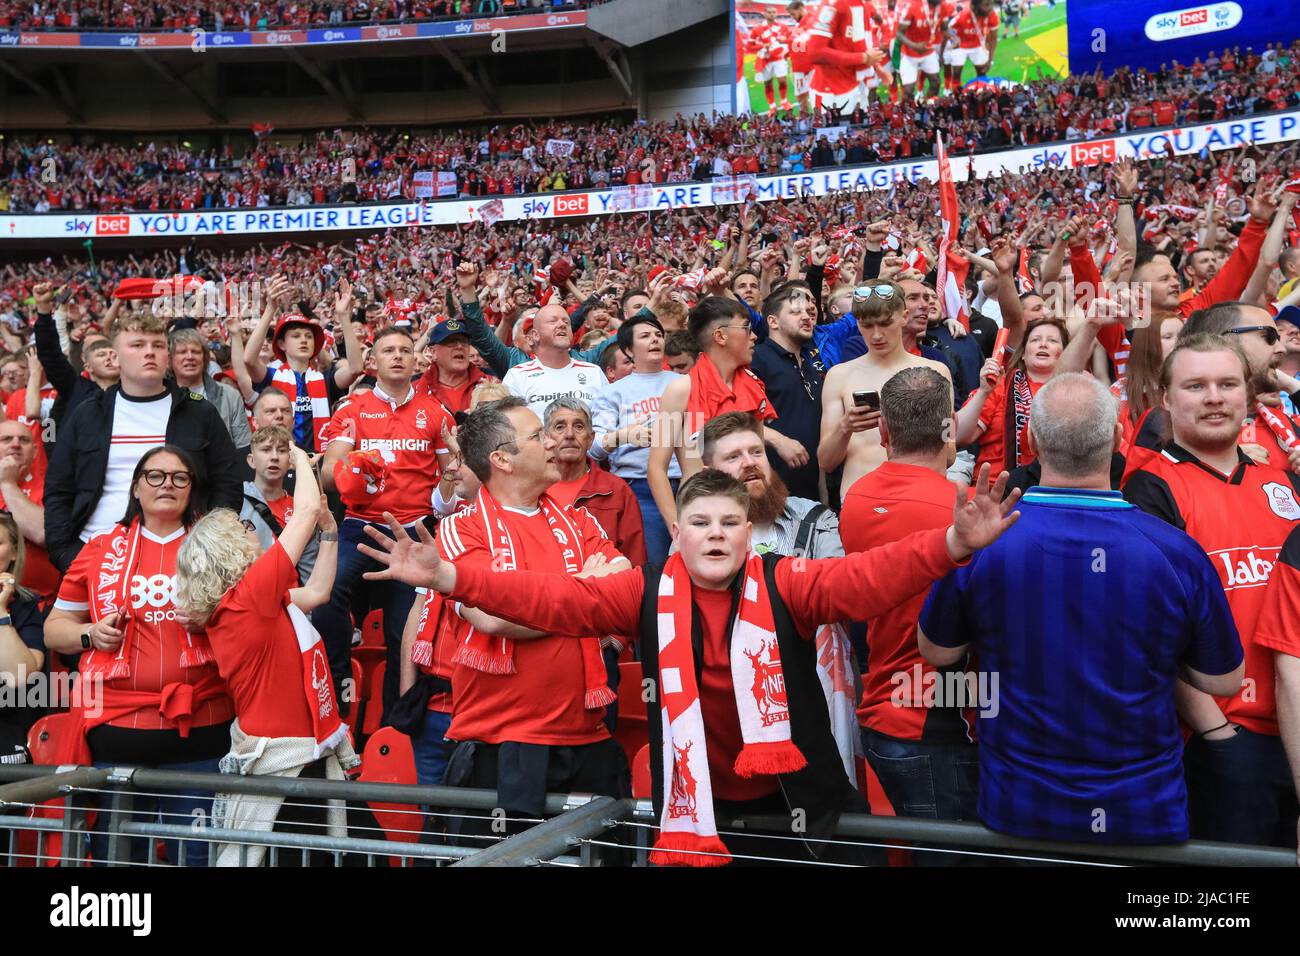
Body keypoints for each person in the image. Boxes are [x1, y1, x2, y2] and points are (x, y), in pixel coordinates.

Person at [359, 464, 1019, 865]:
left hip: (799, 816)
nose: (715, 534)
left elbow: (869, 576)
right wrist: (451, 576)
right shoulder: (643, 589)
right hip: (698, 821)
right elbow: (553, 599)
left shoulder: (785, 580)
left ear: (748, 533)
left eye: (729, 522)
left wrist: (954, 541)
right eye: (699, 522)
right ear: (676, 535)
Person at [922, 373, 1245, 845]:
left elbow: (937, 652)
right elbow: (1224, 679)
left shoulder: (983, 544)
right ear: (1117, 439)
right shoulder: (1176, 552)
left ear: (1030, 439)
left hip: (1020, 807)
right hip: (1143, 812)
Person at [386, 396, 633, 841]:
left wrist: (549, 598)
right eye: (539, 435)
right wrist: (583, 595)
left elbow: (619, 598)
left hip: (590, 738)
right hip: (505, 744)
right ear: (501, 459)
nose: (555, 441)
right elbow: (492, 617)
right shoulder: (461, 530)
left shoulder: (579, 521)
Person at [1123, 334, 1299, 847]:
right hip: (1227, 738)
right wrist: (1216, 732)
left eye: (1227, 384)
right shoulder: (1150, 488)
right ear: (1166, 399)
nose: (1215, 398)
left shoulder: (1281, 482)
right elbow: (1143, 634)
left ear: (1248, 394)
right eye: (1196, 386)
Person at [44, 445, 234, 867]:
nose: (167, 483)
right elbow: (55, 630)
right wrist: (90, 635)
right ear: (135, 486)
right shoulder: (99, 549)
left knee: (200, 858)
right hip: (117, 737)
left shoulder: (223, 548)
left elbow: (261, 624)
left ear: (192, 488)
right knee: (120, 859)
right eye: (155, 475)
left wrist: (213, 621)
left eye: (179, 477)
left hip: (201, 739)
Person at [174, 444, 356, 867]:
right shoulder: (249, 597)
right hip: (288, 763)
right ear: (228, 551)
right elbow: (305, 507)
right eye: (241, 527)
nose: (250, 529)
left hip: (298, 755)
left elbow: (317, 593)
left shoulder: (245, 603)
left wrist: (329, 533)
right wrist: (299, 457)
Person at [839, 366, 983, 838]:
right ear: (949, 429)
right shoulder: (964, 514)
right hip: (937, 724)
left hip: (885, 711)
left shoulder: (857, 498)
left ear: (883, 429)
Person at [317, 325, 453, 718]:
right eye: (389, 350)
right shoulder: (352, 410)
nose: (397, 356)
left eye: (405, 350)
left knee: (402, 635)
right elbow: (328, 474)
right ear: (373, 362)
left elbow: (452, 475)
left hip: (414, 532)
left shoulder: (434, 412)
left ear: (417, 361)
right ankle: (336, 689)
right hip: (360, 524)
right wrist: (355, 466)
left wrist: (450, 478)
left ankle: (397, 724)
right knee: (325, 595)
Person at [43, 310, 242, 573]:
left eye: (158, 345)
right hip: (92, 555)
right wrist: (64, 552)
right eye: (138, 345)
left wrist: (208, 547)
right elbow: (58, 488)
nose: (150, 352)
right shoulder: (88, 414)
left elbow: (227, 485)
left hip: (182, 558)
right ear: (116, 356)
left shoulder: (200, 412)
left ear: (167, 357)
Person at [820, 280, 952, 503]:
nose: (876, 335)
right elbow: (825, 462)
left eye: (884, 323)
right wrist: (846, 427)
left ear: (904, 316)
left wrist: (915, 429)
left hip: (920, 499)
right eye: (867, 325)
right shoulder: (839, 376)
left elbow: (949, 454)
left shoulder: (937, 371)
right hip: (861, 499)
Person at [649, 296, 776, 527]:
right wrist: (677, 526)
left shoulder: (753, 386)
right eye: (747, 329)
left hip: (752, 514)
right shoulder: (680, 389)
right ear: (720, 336)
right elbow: (656, 468)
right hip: (700, 514)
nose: (755, 336)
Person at [590, 312, 683, 564]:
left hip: (686, 485)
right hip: (639, 490)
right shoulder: (612, 393)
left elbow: (697, 441)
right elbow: (593, 449)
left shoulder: (685, 383)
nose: (654, 340)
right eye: (645, 336)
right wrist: (624, 436)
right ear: (629, 349)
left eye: (658, 335)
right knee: (652, 566)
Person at [243, 277, 365, 454]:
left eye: (309, 336)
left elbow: (355, 368)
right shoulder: (271, 376)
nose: (304, 340)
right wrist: (270, 309)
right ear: (282, 344)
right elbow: (249, 360)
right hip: (280, 458)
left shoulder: (325, 379)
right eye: (296, 336)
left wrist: (344, 318)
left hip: (317, 460)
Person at [452, 263, 610, 379]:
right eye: (528, 329)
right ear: (519, 340)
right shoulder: (513, 362)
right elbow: (480, 336)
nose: (561, 324)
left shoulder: (585, 362)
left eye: (565, 322)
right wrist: (467, 290)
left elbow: (627, 334)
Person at [954, 317, 1068, 474]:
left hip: (1054, 490)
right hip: (995, 489)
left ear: (1065, 353)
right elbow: (957, 435)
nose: (1043, 344)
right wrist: (983, 392)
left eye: (1053, 340)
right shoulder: (998, 385)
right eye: (1035, 340)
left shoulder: (1075, 391)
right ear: (1023, 354)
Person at [544, 398, 647, 565]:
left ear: (591, 439)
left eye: (578, 426)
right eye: (560, 427)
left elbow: (635, 563)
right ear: (546, 438)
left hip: (603, 587)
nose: (569, 435)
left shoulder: (616, 490)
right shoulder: (532, 489)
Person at [750, 284, 826, 503]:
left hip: (811, 494)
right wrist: (778, 440)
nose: (806, 317)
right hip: (768, 494)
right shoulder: (757, 360)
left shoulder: (812, 365)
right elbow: (734, 419)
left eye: (809, 312)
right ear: (772, 321)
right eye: (795, 312)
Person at [500, 302, 609, 420]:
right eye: (553, 321)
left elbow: (606, 421)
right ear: (535, 335)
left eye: (566, 322)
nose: (562, 324)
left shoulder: (594, 373)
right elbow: (510, 426)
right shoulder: (517, 376)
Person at [31, 281, 119, 426]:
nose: (109, 358)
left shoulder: (138, 390)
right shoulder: (74, 388)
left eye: (114, 355)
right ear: (87, 365)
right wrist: (43, 308)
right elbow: (50, 355)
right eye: (101, 355)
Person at [0, 512, 50, 763]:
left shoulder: (25, 606)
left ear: (13, 553)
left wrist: (0, 612)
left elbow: (20, 675)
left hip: (9, 743)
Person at [241, 425, 319, 581]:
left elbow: (309, 571)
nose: (274, 457)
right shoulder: (234, 500)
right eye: (266, 449)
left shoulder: (301, 508)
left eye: (282, 451)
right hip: (245, 594)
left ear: (291, 461)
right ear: (251, 460)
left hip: (291, 597)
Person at [0, 419, 59, 600]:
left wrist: (7, 483)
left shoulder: (53, 489)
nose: (16, 444)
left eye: (24, 440)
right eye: (6, 439)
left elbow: (43, 533)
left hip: (41, 604)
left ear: (35, 452)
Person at [169, 328, 252, 451]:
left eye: (196, 352)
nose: (190, 356)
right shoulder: (161, 396)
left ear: (205, 358)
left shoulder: (229, 395)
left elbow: (243, 446)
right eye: (182, 352)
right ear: (170, 359)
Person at [418, 317, 493, 415]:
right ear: (433, 352)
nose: (459, 346)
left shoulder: (491, 384)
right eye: (451, 342)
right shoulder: (416, 390)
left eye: (464, 341)